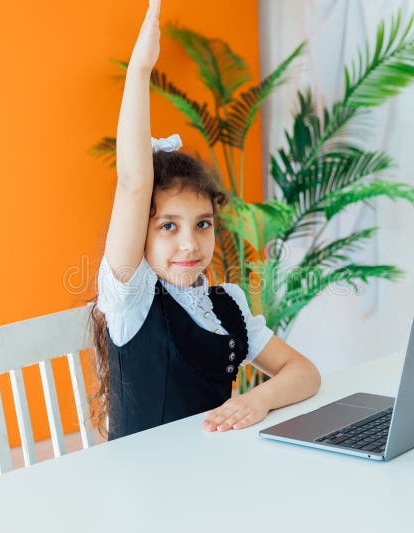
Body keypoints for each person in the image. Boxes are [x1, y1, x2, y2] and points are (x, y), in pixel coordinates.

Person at [88, 0, 320, 441]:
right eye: (168, 226)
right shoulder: (131, 299)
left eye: (203, 224)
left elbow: (304, 372)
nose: (190, 244)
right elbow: (135, 183)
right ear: (142, 235)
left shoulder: (226, 305)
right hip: (147, 494)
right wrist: (140, 71)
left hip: (214, 484)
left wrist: (257, 399)